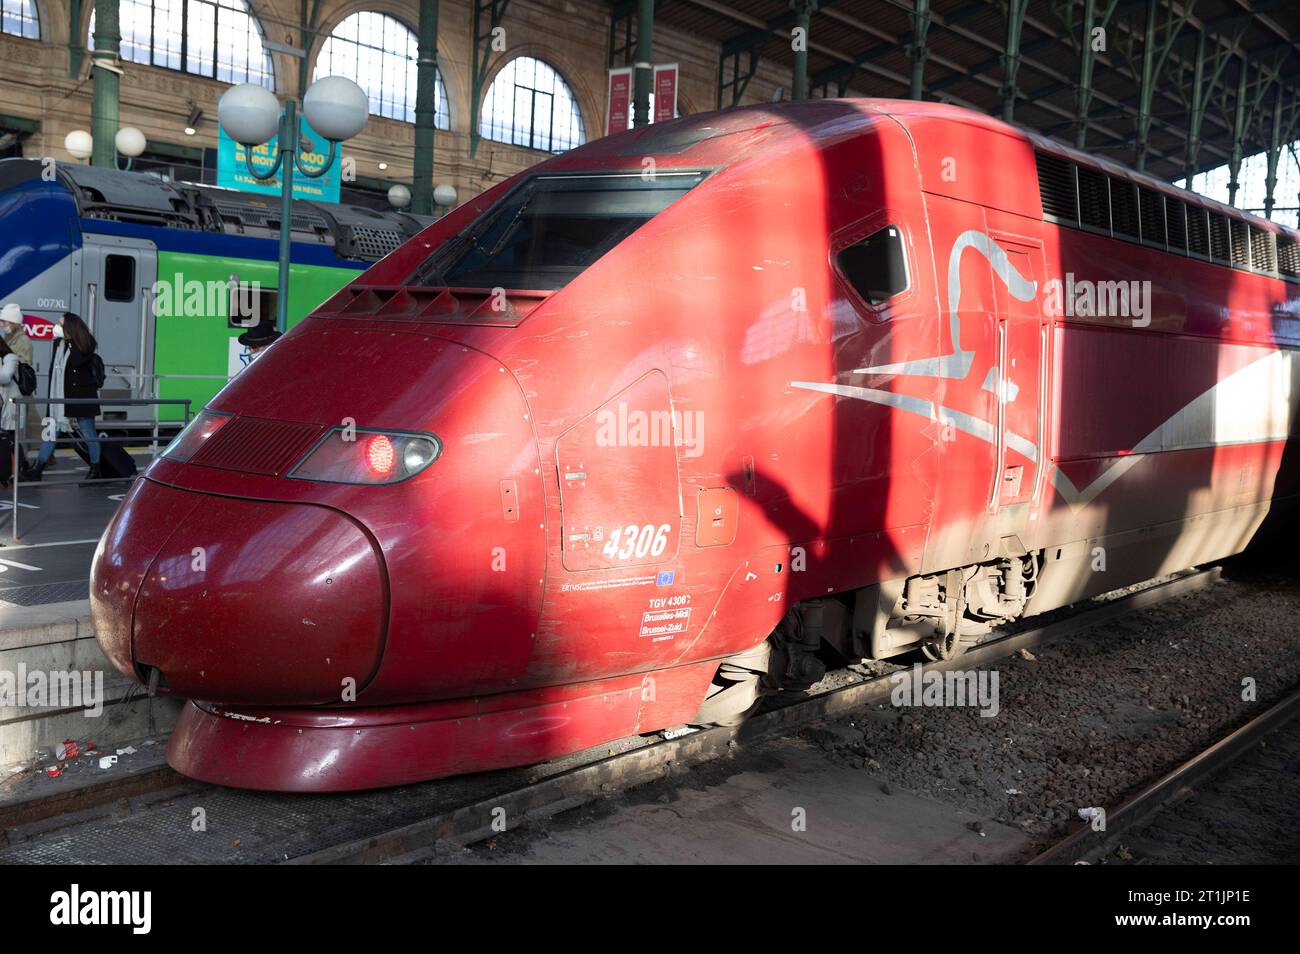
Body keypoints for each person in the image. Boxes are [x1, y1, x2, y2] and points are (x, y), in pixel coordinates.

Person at [25, 312, 101, 482]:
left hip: (82, 397)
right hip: (59, 399)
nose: (57, 327)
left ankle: (96, 468)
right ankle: (38, 469)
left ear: (71, 327)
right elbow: (55, 371)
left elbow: (76, 361)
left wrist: (70, 342)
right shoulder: (58, 343)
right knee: (51, 432)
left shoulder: (86, 342)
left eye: (61, 324)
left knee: (89, 433)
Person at [0, 336, 19, 488]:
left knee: (10, 441)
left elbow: (5, 377)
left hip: (10, 405)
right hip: (2, 405)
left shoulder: (10, 358)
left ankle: (14, 473)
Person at [0, 302, 33, 366]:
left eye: (4, 322)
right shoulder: (8, 338)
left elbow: (24, 368)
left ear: (14, 323)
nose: (0, 325)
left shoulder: (24, 341)